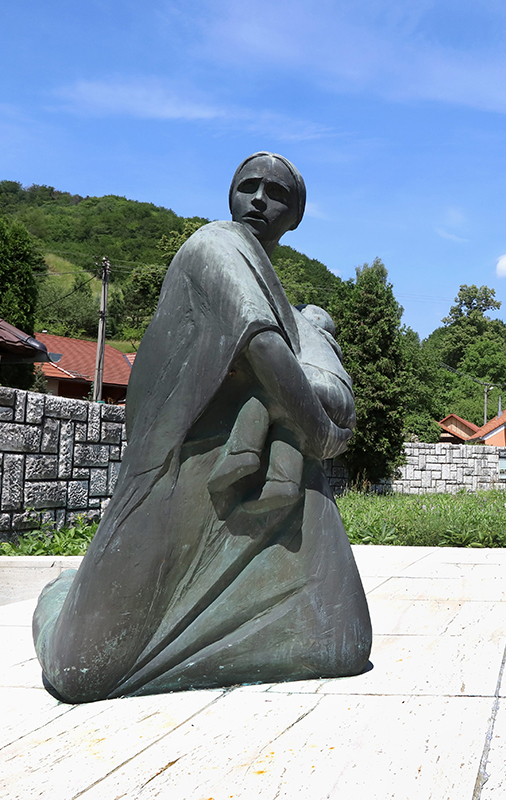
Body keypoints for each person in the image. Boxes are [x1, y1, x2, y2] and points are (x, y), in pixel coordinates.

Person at [32, 153, 372, 703]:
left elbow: (337, 396)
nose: (259, 199)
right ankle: (61, 597)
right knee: (78, 670)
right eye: (248, 187)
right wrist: (319, 431)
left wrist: (303, 394)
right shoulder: (214, 246)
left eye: (277, 193)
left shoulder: (297, 314)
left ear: (297, 215)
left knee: (343, 643)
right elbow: (271, 356)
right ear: (231, 197)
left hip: (260, 500)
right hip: (171, 480)